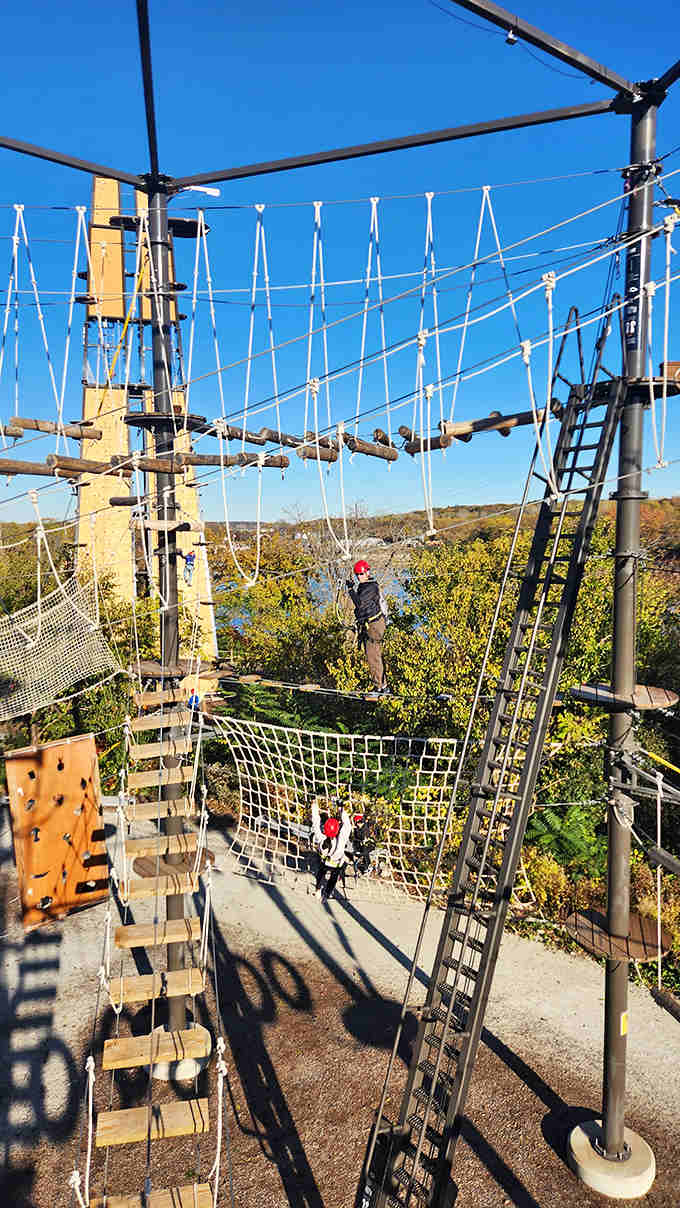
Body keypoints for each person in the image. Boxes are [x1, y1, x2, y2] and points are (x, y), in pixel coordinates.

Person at [346, 560, 388, 692]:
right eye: (357, 574)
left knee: (372, 656)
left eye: (361, 574)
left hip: (374, 624)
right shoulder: (365, 586)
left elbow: (360, 604)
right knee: (374, 655)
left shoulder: (370, 587)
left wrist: (350, 590)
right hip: (371, 624)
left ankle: (379, 687)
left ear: (367, 573)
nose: (359, 577)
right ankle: (382, 686)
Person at [311, 800, 352, 901]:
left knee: (321, 873)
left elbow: (316, 822)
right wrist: (341, 809)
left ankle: (318, 889)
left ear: (325, 828)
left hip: (324, 862)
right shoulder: (341, 839)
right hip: (337, 864)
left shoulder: (321, 838)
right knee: (333, 879)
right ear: (337, 829)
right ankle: (326, 894)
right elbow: (347, 825)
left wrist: (314, 808)